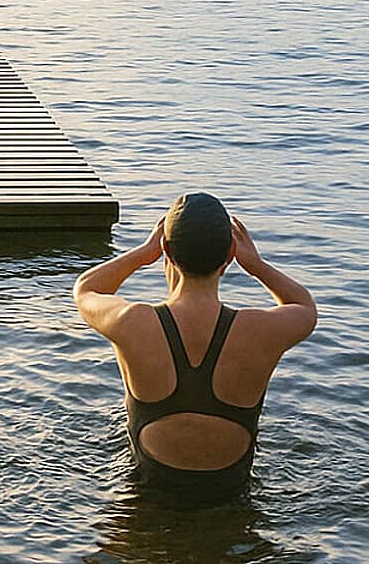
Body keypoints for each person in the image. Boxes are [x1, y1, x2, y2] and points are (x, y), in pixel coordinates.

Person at [74, 192, 316, 502]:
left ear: (166, 251)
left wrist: (143, 253)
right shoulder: (261, 330)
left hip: (149, 494)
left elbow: (86, 289)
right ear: (229, 256)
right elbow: (304, 306)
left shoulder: (134, 322)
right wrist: (255, 265)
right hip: (230, 497)